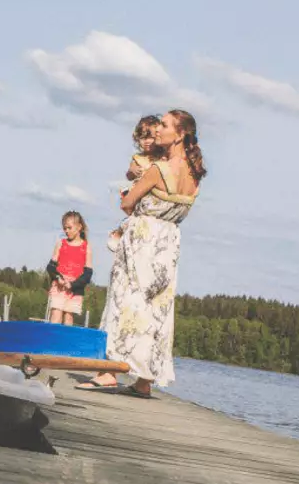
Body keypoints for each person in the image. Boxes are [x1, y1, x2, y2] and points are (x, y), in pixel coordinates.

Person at [78, 109, 206, 398]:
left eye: (164, 125)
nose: (158, 129)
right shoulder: (195, 177)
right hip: (168, 244)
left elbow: (128, 205)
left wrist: (128, 196)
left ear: (180, 134)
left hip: (142, 240)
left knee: (125, 301)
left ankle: (109, 371)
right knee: (156, 310)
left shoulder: (157, 170)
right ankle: (144, 380)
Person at [107, 115, 163, 251]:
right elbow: (129, 175)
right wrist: (132, 170)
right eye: (143, 138)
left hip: (152, 194)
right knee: (133, 213)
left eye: (151, 137)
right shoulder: (138, 158)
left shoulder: (161, 158)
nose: (147, 141)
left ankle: (128, 234)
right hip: (137, 192)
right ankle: (122, 232)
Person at [45, 211, 93, 326]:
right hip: (59, 286)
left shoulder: (86, 247)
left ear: (79, 227)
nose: (66, 231)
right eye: (64, 228)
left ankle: (65, 343)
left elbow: (88, 273)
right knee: (56, 315)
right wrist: (58, 278)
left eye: (69, 228)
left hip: (75, 289)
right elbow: (51, 266)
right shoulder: (61, 244)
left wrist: (73, 285)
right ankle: (52, 341)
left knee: (68, 318)